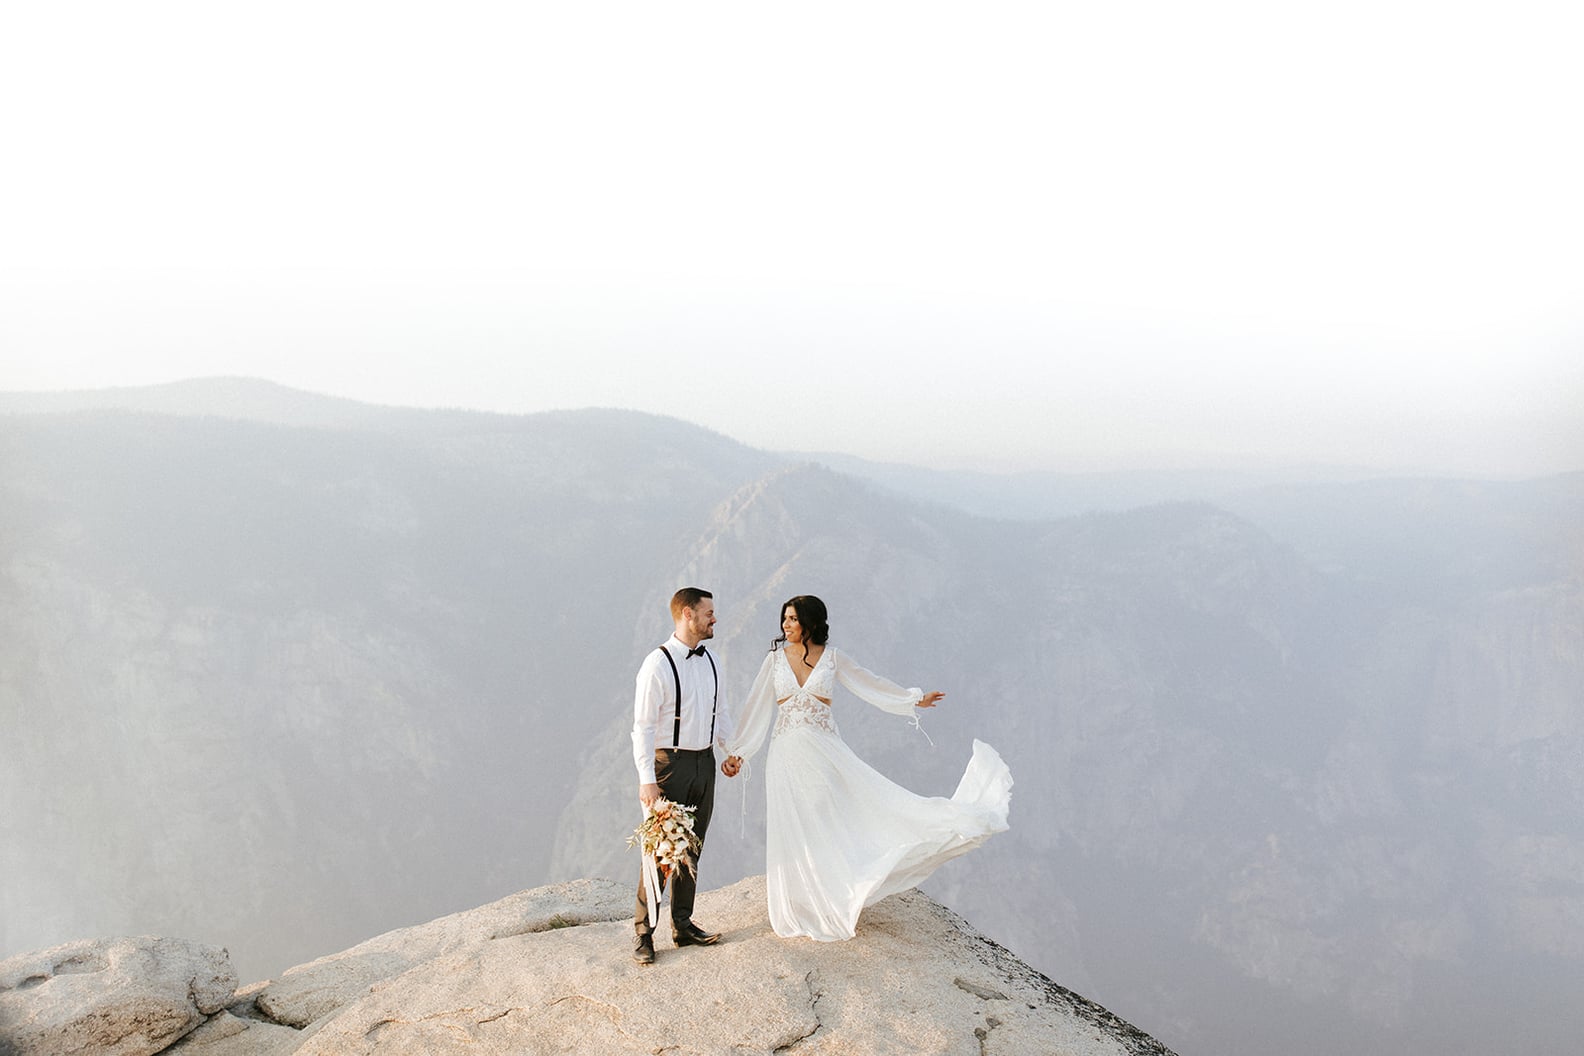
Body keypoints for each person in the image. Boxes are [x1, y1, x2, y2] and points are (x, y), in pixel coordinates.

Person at [722, 594, 1012, 941]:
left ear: (810, 623)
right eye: (784, 618)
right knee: (793, 823)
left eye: (793, 619)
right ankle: (802, 902)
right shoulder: (774, 661)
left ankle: (831, 895)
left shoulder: (832, 659)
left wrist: (912, 698)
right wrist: (739, 753)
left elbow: (870, 683)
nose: (785, 625)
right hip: (785, 755)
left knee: (824, 816)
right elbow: (756, 708)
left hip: (824, 753)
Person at [630, 587, 744, 965]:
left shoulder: (713, 661)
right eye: (708, 612)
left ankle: (682, 924)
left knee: (692, 845)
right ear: (686, 615)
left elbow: (721, 711)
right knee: (661, 850)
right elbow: (643, 728)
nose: (714, 619)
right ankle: (644, 934)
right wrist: (647, 778)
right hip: (669, 766)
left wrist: (730, 751)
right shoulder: (657, 664)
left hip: (704, 763)